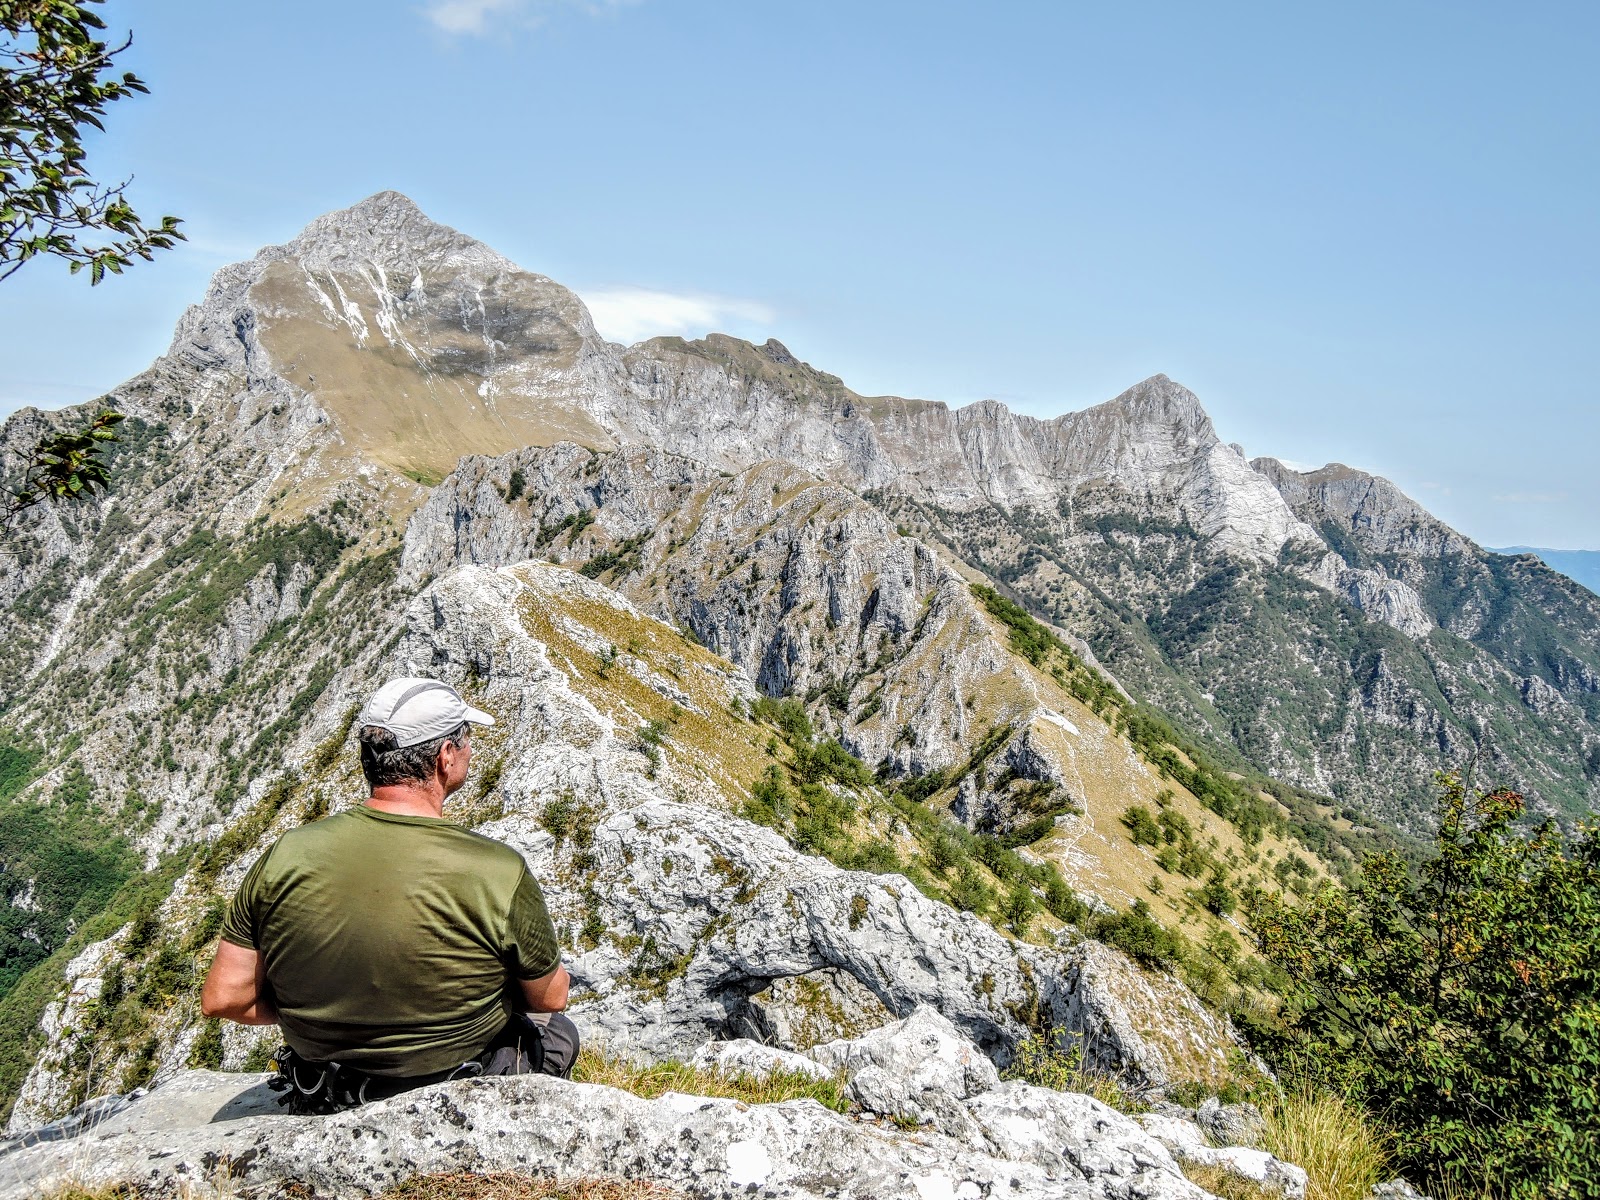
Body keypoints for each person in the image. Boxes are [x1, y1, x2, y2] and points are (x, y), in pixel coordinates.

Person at [200, 677, 578, 1111]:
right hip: (452, 1094)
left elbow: (224, 997)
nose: (469, 749)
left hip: (324, 1092)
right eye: (465, 739)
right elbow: (551, 998)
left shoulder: (286, 854)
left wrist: (312, 1015)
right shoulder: (497, 869)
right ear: (445, 756)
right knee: (558, 1033)